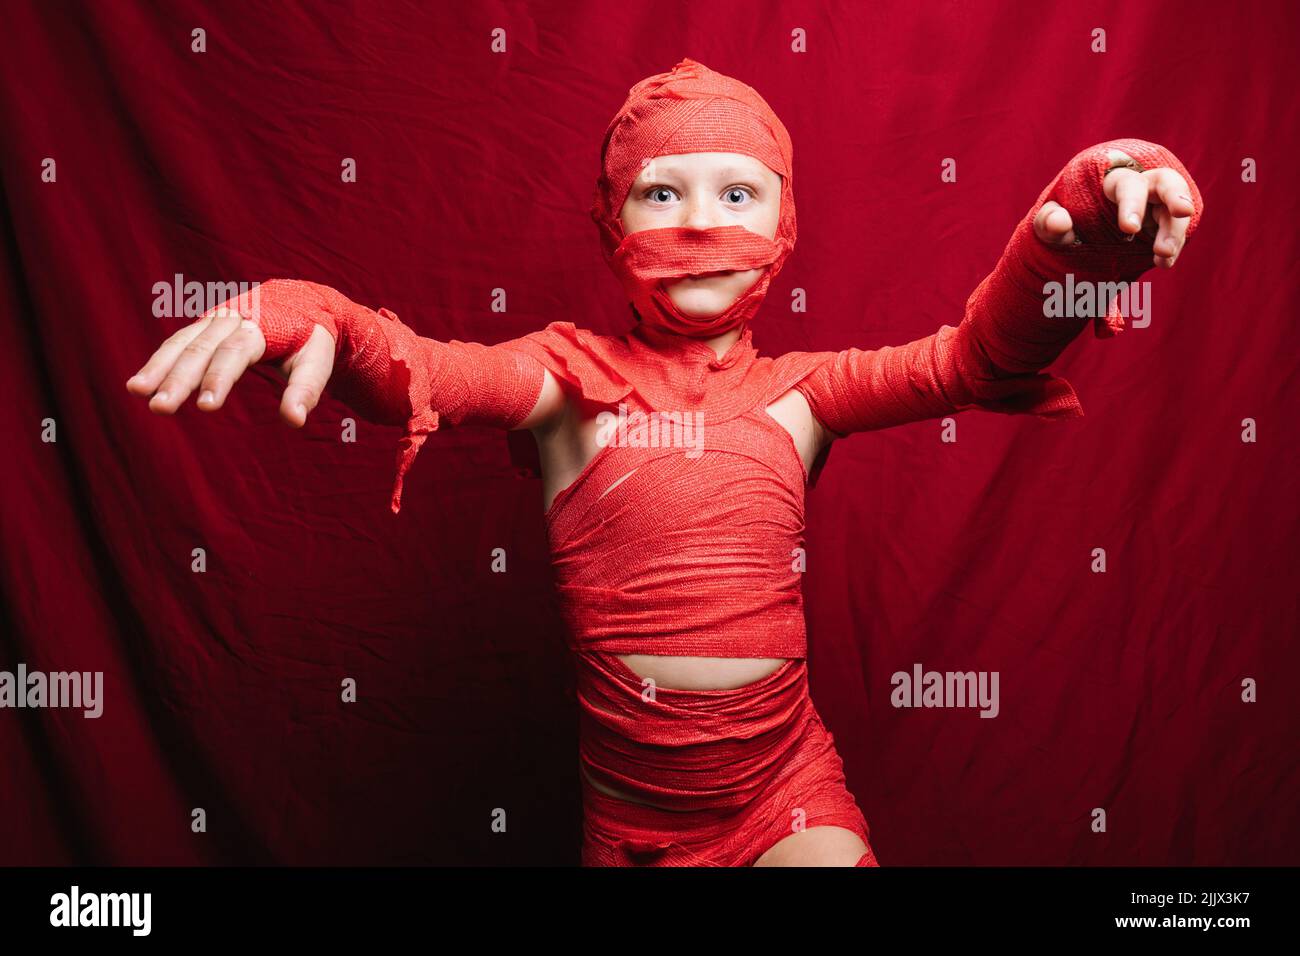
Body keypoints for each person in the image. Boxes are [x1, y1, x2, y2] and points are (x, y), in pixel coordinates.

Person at [125, 58, 1202, 866]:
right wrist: (310, 313)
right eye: (661, 193)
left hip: (784, 795)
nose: (698, 225)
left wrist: (1070, 245)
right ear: (609, 222)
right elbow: (420, 369)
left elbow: (970, 361)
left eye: (737, 193)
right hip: (627, 819)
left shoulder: (802, 394)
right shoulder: (562, 381)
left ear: (785, 225)